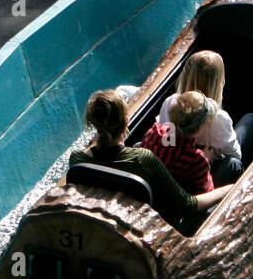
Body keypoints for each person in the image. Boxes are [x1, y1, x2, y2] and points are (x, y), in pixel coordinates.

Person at [69, 89, 230, 227]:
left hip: (99, 224)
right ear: (126, 119)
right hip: (136, 224)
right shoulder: (143, 159)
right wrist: (229, 189)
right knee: (232, 166)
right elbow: (187, 204)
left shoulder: (77, 159)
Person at [158, 50, 253, 186]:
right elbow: (235, 154)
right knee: (252, 120)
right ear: (218, 81)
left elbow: (167, 143)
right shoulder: (219, 117)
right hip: (200, 174)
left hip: (175, 171)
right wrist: (207, 158)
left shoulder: (170, 102)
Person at [140, 90, 218, 196]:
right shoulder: (196, 159)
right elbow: (207, 193)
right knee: (232, 163)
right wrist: (207, 163)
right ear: (199, 128)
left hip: (155, 193)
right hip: (180, 202)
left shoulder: (153, 132)